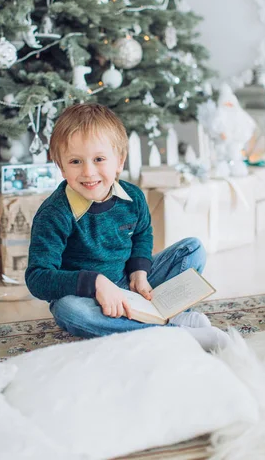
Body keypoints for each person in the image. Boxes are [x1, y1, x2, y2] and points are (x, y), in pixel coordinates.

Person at [26, 103, 229, 351]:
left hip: (131, 285)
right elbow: (37, 278)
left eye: (99, 159)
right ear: (61, 166)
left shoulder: (132, 197)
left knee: (193, 249)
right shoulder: (54, 213)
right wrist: (95, 283)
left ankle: (169, 314)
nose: (89, 172)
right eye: (76, 161)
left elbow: (142, 235)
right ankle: (174, 334)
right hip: (89, 298)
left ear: (119, 161)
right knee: (69, 311)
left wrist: (139, 273)